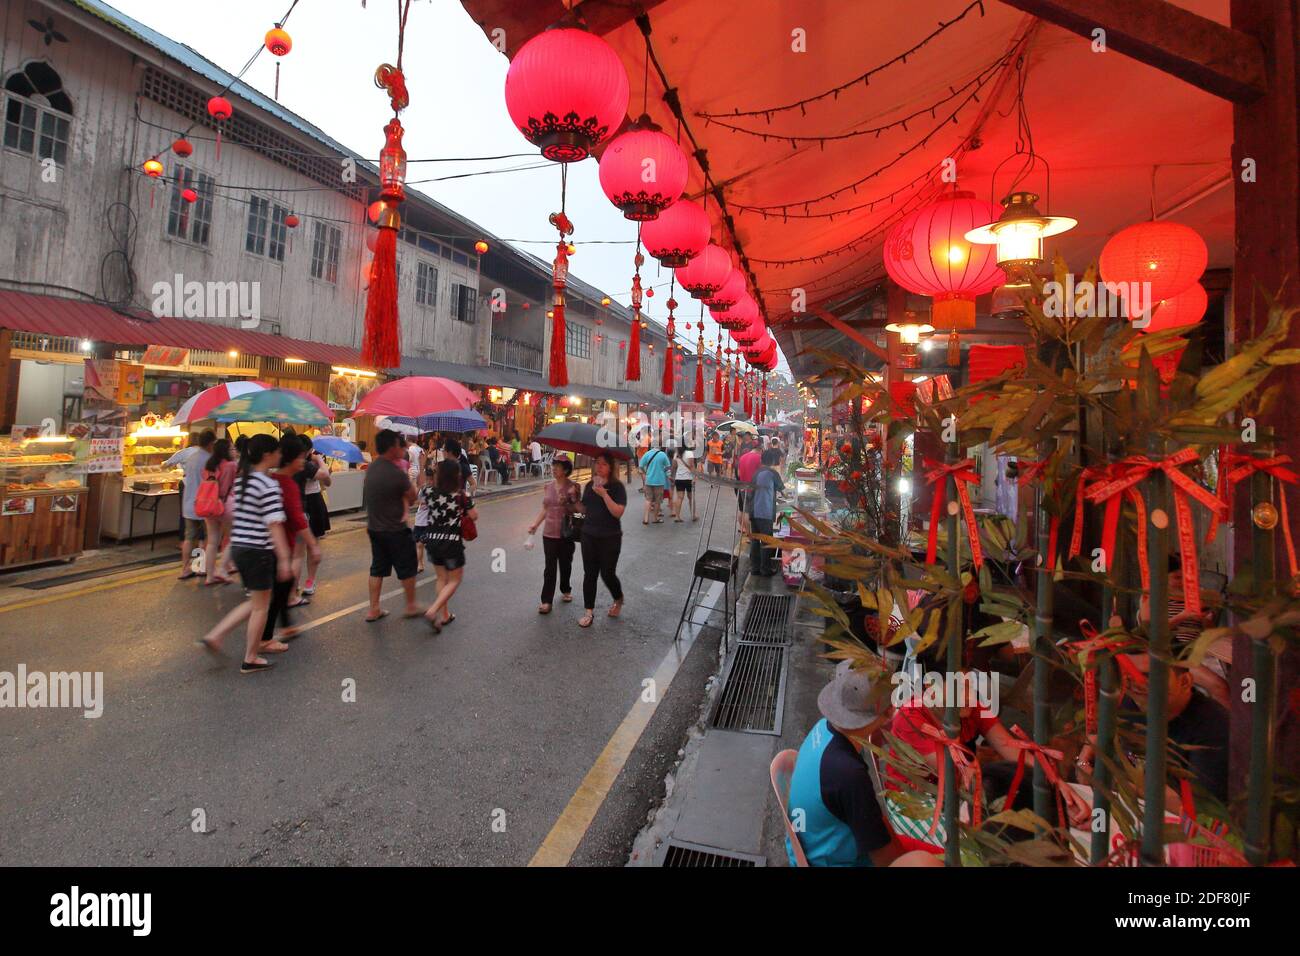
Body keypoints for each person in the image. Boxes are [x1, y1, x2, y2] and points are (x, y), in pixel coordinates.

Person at [787, 661, 932, 867]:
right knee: (925, 861)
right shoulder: (848, 773)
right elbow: (885, 859)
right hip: (829, 861)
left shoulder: (824, 728)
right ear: (889, 712)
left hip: (809, 846)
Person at [1076, 652, 1230, 809]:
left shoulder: (1214, 732)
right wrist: (1083, 761)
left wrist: (1111, 783)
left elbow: (1196, 810)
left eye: (1147, 676)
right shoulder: (1133, 700)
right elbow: (1099, 731)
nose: (1134, 684)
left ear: (1184, 682)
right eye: (1127, 674)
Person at [196, 433, 292, 673]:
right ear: (268, 455)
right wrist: (283, 559)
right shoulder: (268, 484)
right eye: (278, 452)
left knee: (257, 601)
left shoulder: (243, 480)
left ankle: (216, 637)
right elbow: (274, 525)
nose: (281, 456)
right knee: (261, 606)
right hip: (258, 549)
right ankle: (250, 657)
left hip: (239, 546)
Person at [362, 428, 421, 623]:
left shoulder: (372, 468)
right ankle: (411, 605)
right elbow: (412, 499)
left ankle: (373, 609)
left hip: (374, 527)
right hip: (396, 528)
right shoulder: (397, 473)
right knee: (407, 567)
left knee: (377, 568)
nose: (401, 448)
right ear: (392, 447)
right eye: (398, 444)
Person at [420, 459, 478, 634]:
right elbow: (474, 516)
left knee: (441, 579)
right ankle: (433, 610)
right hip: (451, 542)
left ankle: (444, 615)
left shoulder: (427, 491)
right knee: (454, 580)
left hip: (432, 540)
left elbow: (419, 497)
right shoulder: (461, 495)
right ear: (456, 475)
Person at [267, 435, 311, 643]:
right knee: (271, 596)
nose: (304, 461)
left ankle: (285, 627)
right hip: (278, 546)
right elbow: (297, 518)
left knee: (280, 590)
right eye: (301, 457)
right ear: (291, 459)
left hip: (276, 545)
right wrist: (313, 544)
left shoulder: (272, 479)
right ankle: (265, 638)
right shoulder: (287, 484)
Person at [577, 451, 627, 628]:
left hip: (610, 538)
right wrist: (571, 500)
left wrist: (604, 495)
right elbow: (583, 510)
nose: (599, 466)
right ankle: (588, 612)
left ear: (610, 467)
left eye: (603, 464)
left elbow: (618, 512)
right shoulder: (590, 484)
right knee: (589, 574)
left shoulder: (617, 487)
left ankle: (618, 598)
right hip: (588, 535)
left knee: (607, 573)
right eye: (597, 463)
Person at [528, 456, 581, 613]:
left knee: (565, 565)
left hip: (566, 534)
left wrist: (570, 500)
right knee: (549, 568)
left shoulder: (574, 487)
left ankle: (566, 589)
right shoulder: (548, 486)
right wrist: (535, 525)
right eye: (553, 466)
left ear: (565, 470)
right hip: (549, 534)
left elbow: (579, 511)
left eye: (557, 466)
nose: (553, 468)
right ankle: (546, 601)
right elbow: (545, 508)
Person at [166, 429, 216, 581]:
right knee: (203, 537)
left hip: (188, 503)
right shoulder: (210, 459)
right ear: (210, 443)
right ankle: (200, 567)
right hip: (204, 503)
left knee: (189, 538)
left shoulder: (190, 457)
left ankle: (185, 569)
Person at [199, 438, 237, 586]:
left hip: (209, 504)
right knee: (234, 536)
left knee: (212, 541)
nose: (234, 451)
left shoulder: (209, 466)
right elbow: (230, 485)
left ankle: (209, 576)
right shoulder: (231, 466)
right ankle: (222, 568)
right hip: (225, 504)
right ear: (225, 451)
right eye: (232, 449)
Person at [298, 437, 330, 595]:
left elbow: (327, 481)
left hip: (300, 503)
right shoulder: (307, 465)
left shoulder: (289, 464)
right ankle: (309, 581)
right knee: (311, 545)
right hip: (313, 502)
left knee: (297, 549)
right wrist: (320, 460)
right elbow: (326, 476)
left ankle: (295, 584)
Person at [747, 448, 785, 576]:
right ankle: (766, 569)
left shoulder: (756, 473)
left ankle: (754, 568)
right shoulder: (772, 473)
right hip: (765, 511)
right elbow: (782, 489)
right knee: (766, 541)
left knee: (755, 540)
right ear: (773, 460)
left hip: (754, 510)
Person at [638, 443, 672, 525]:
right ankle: (655, 518)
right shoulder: (663, 455)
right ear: (659, 446)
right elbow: (668, 468)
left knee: (648, 499)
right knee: (657, 501)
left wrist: (644, 474)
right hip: (659, 481)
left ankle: (646, 519)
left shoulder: (647, 454)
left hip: (648, 480)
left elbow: (641, 466)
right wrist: (669, 477)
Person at [735, 437, 763, 533]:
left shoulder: (742, 457)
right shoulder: (759, 458)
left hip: (743, 487)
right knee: (754, 513)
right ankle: (753, 535)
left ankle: (748, 533)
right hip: (754, 488)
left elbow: (738, 474)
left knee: (746, 511)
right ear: (760, 449)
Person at [671, 445, 698, 522]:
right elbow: (692, 466)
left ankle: (677, 516)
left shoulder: (676, 454)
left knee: (679, 497)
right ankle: (693, 515)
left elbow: (674, 466)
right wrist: (694, 477)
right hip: (688, 478)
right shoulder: (689, 453)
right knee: (691, 498)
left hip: (679, 478)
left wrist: (672, 476)